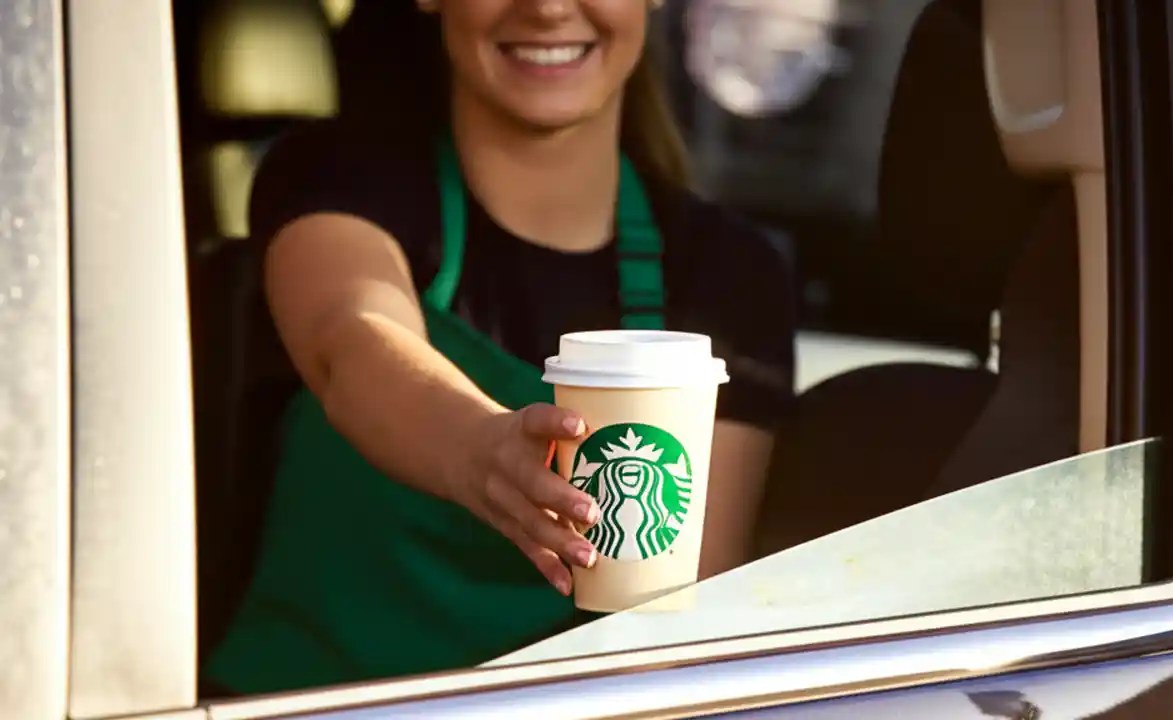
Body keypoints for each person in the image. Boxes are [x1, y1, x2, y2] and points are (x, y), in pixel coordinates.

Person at [204, 0, 795, 695]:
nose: (546, 8)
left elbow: (684, 613)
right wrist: (476, 449)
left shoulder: (728, 274)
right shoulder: (338, 178)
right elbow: (354, 338)